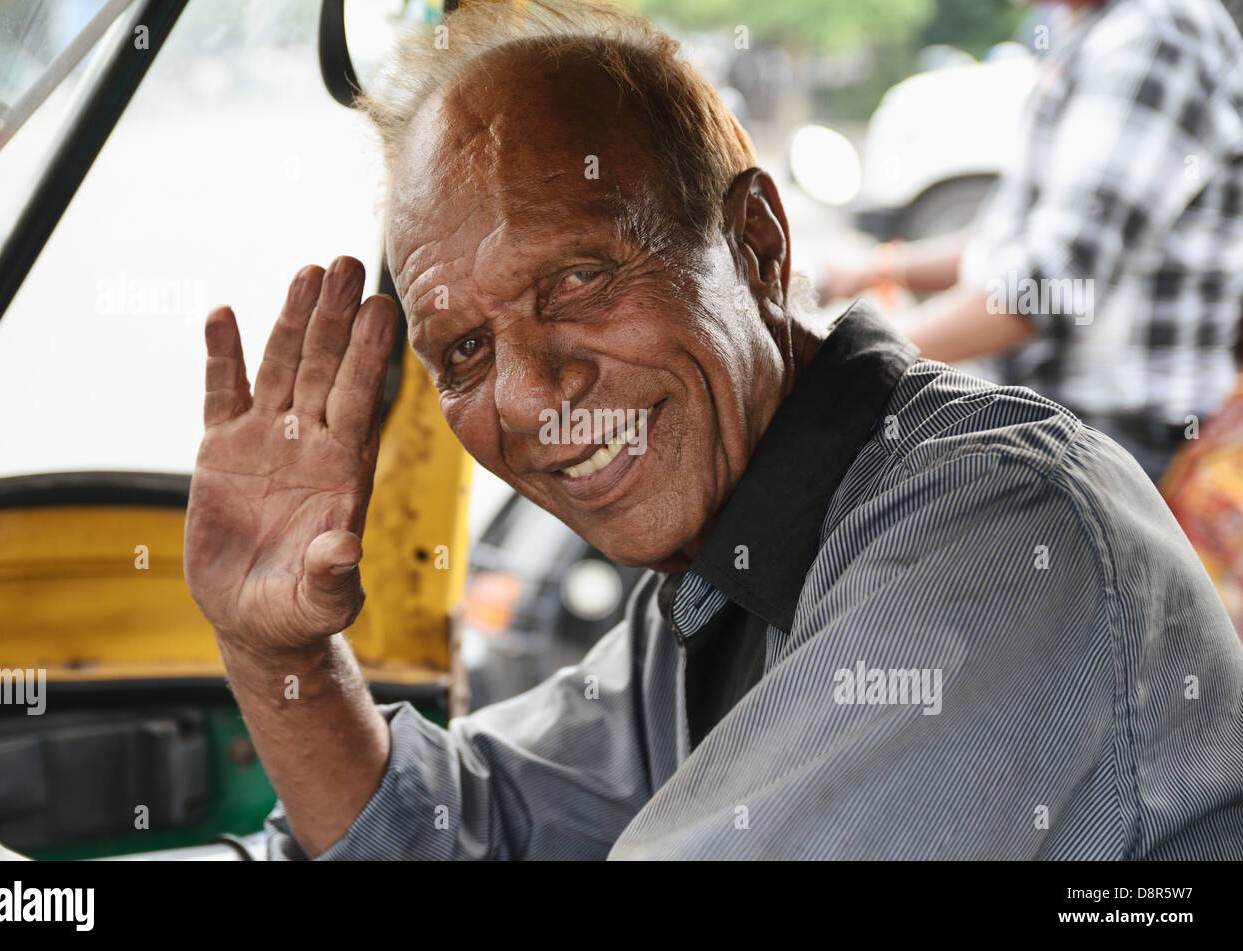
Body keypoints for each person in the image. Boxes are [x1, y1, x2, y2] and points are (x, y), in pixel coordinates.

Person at [182, 0, 1243, 860]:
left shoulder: (1003, 536)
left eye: (578, 279)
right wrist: (282, 653)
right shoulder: (729, 579)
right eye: (462, 352)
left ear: (754, 243)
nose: (525, 394)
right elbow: (469, 832)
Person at [823, 0, 1243, 482]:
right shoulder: (1089, 29)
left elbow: (1055, 282)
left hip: (1120, 448)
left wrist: (851, 362)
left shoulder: (1157, 34)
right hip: (1074, 427)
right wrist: (877, 269)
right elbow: (1013, 245)